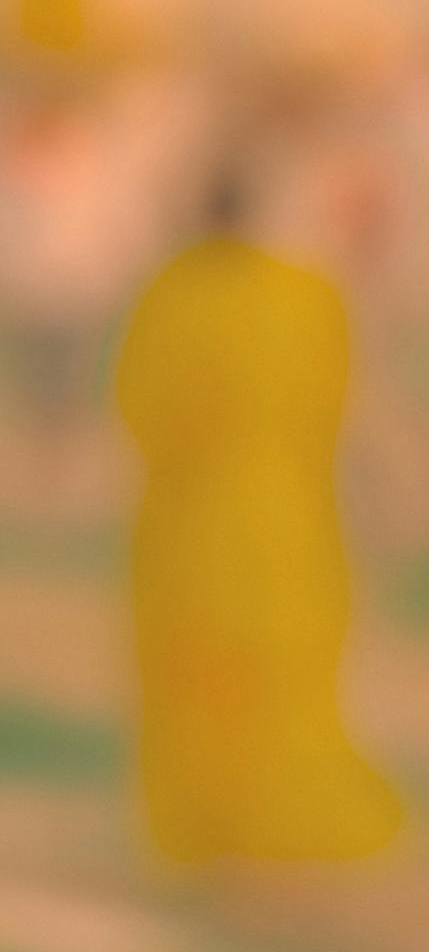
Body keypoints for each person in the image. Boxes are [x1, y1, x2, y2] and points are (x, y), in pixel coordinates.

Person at [113, 169, 406, 867]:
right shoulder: (304, 294)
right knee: (282, 669)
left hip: (197, 514)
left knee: (201, 672)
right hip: (289, 508)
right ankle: (264, 806)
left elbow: (142, 407)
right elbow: (336, 397)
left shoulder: (174, 295)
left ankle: (213, 819)